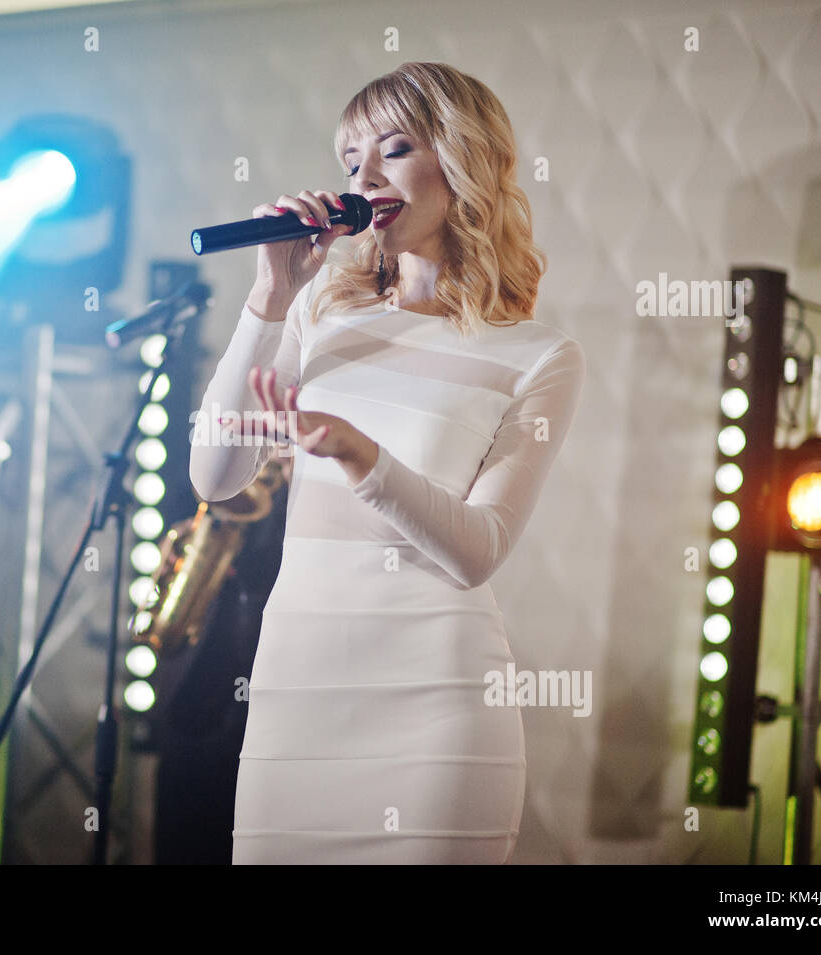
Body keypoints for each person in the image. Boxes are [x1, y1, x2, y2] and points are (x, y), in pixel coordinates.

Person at [188, 61, 586, 864]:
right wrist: (268, 296)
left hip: (436, 714)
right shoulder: (318, 310)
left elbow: (477, 550)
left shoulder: (540, 355)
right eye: (349, 163)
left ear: (463, 160)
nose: (363, 177)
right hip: (295, 699)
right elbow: (214, 474)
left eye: (394, 150)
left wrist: (360, 454)